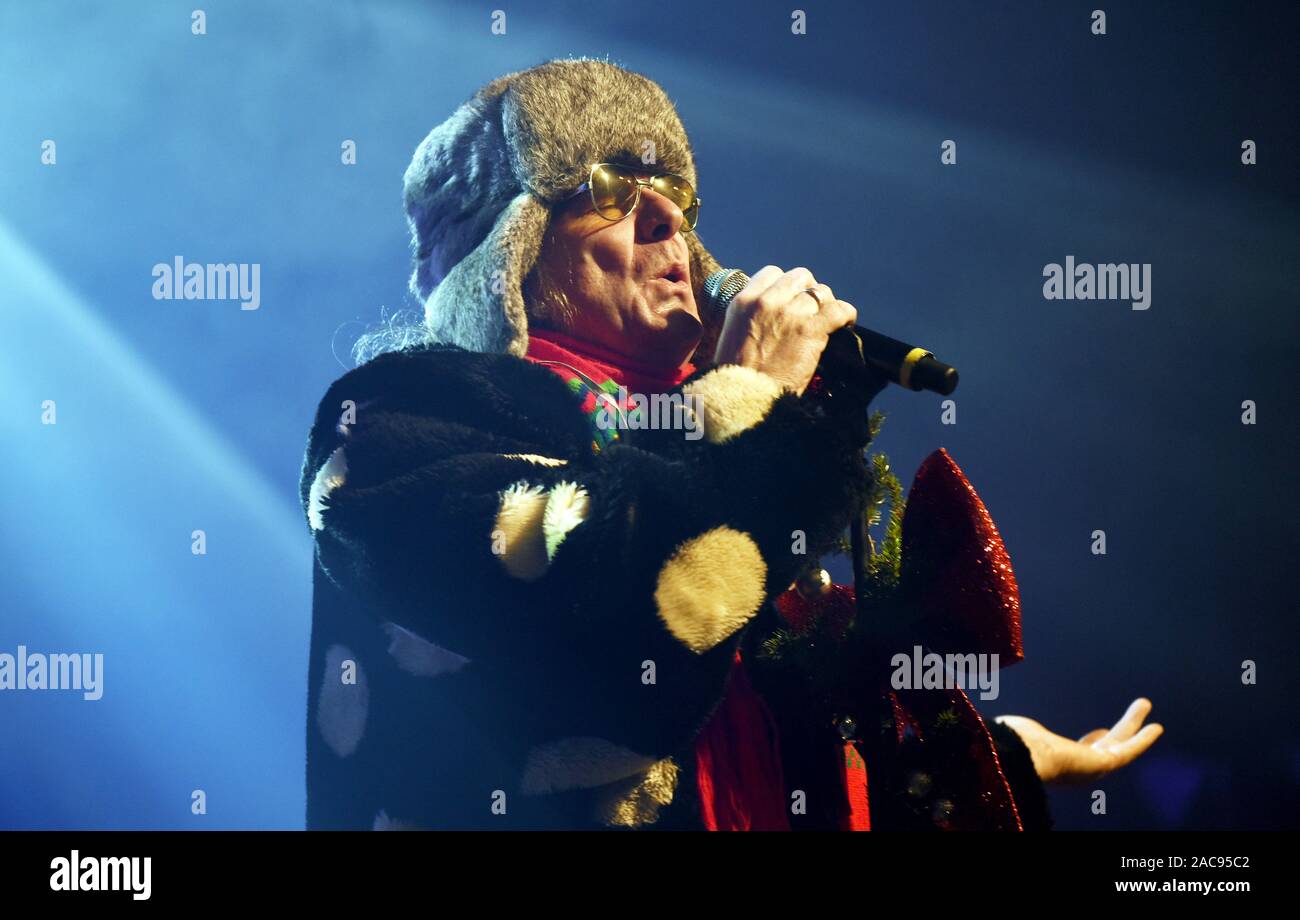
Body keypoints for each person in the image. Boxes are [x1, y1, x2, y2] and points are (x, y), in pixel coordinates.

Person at [298, 57, 1161, 830]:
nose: (667, 215)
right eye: (608, 187)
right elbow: (630, 629)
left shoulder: (706, 435)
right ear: (508, 251)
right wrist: (752, 401)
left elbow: (781, 730)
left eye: (674, 189)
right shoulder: (398, 424)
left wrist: (991, 757)